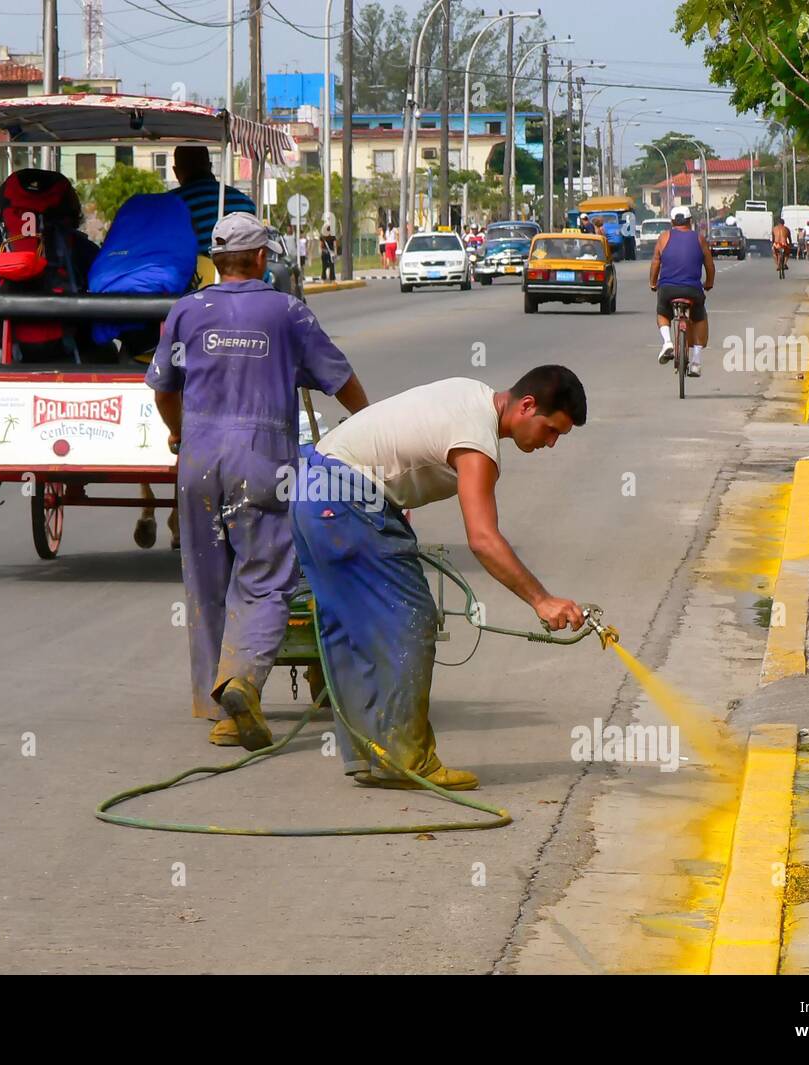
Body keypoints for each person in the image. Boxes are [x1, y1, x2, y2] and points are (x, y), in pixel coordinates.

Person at [291, 367, 588, 791]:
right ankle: (405, 759)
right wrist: (542, 600)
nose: (550, 442)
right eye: (550, 429)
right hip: (347, 502)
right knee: (411, 620)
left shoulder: (472, 394)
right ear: (526, 406)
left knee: (348, 627)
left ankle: (367, 755)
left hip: (311, 491)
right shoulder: (478, 442)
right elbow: (484, 540)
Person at [149, 212, 370, 749]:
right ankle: (242, 683)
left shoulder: (186, 311)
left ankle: (215, 705)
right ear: (262, 257)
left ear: (217, 259)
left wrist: (181, 438)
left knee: (206, 580)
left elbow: (162, 390)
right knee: (267, 578)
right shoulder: (288, 311)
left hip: (198, 462)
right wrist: (368, 433)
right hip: (264, 461)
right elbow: (340, 381)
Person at [650, 207, 715, 378]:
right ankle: (696, 362)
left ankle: (667, 341)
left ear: (672, 222)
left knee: (662, 311)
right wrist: (709, 283)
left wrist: (652, 283)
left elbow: (656, 263)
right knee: (699, 317)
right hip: (693, 289)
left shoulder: (664, 237)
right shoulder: (699, 238)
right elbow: (709, 265)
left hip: (668, 289)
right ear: (690, 221)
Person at [169, 145, 256, 254]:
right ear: (210, 166)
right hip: (240, 269)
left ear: (176, 171)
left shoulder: (169, 205)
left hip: (193, 270)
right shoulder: (244, 201)